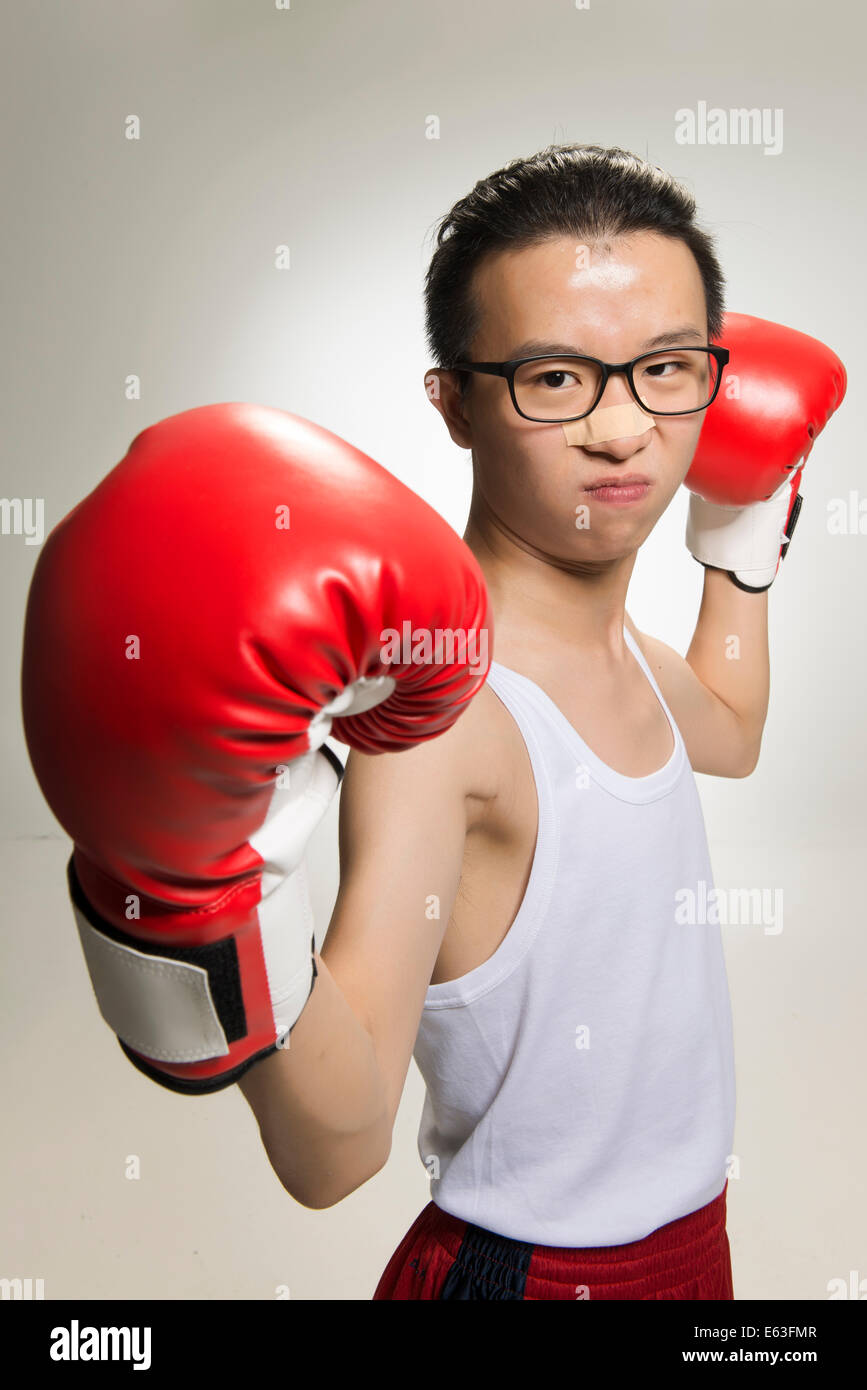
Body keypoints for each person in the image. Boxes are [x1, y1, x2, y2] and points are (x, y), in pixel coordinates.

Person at [22, 144, 844, 1302]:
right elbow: (337, 1146)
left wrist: (743, 549)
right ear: (453, 401)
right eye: (556, 378)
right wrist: (198, 919)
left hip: (689, 1243)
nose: (622, 432)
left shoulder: (619, 647)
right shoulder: (450, 710)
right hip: (537, 1271)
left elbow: (728, 727)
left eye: (663, 368)